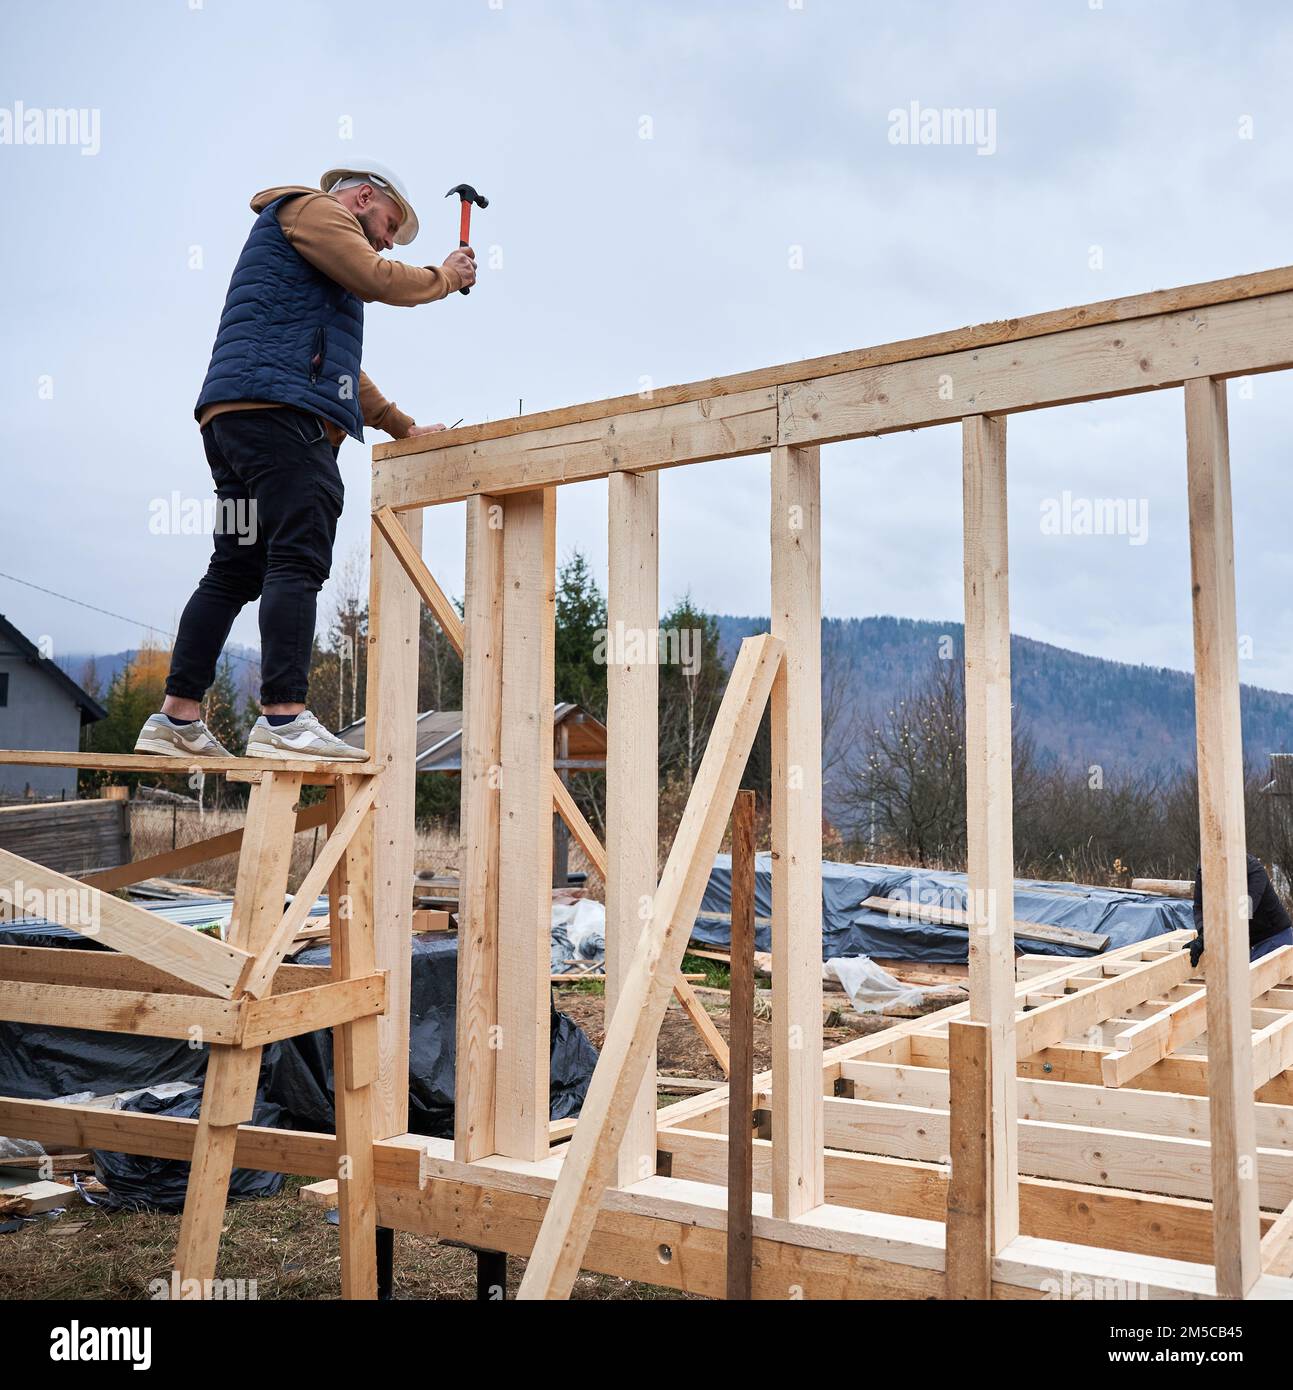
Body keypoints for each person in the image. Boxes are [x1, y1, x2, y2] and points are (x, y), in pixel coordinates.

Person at [134, 163, 476, 762]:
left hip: (235, 424)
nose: (388, 240)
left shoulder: (310, 260)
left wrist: (400, 425)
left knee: (236, 567)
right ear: (363, 197)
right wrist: (443, 277)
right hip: (283, 426)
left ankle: (177, 721)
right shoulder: (316, 212)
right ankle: (284, 720)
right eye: (390, 224)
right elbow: (379, 277)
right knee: (298, 551)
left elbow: (340, 370)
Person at [1189, 853, 1293, 967]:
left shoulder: (1253, 871)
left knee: (1252, 981)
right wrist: (1203, 936)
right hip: (1247, 943)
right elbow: (1200, 907)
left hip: (1274, 939)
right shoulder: (1204, 869)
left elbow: (1243, 913)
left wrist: (1206, 938)